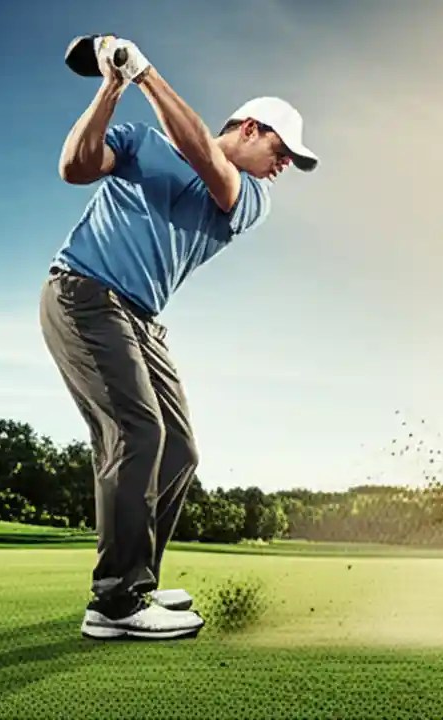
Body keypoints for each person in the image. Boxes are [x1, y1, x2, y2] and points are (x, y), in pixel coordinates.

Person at [39, 36, 318, 640]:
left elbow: (211, 168)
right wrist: (112, 85)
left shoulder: (250, 198)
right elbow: (74, 168)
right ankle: (115, 601)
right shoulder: (142, 142)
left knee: (179, 451)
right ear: (249, 128)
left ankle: (136, 580)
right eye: (282, 148)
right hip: (83, 293)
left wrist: (146, 73)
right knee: (138, 431)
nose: (285, 164)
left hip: (139, 317)